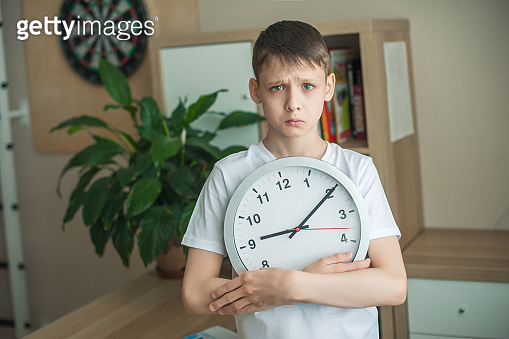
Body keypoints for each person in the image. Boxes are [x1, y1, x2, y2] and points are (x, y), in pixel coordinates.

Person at [181, 20, 407, 338]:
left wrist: (293, 285)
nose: (293, 103)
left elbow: (394, 286)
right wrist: (288, 288)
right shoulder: (228, 175)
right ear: (255, 90)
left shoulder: (358, 169)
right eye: (277, 87)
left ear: (329, 86)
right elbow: (194, 293)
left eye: (307, 86)